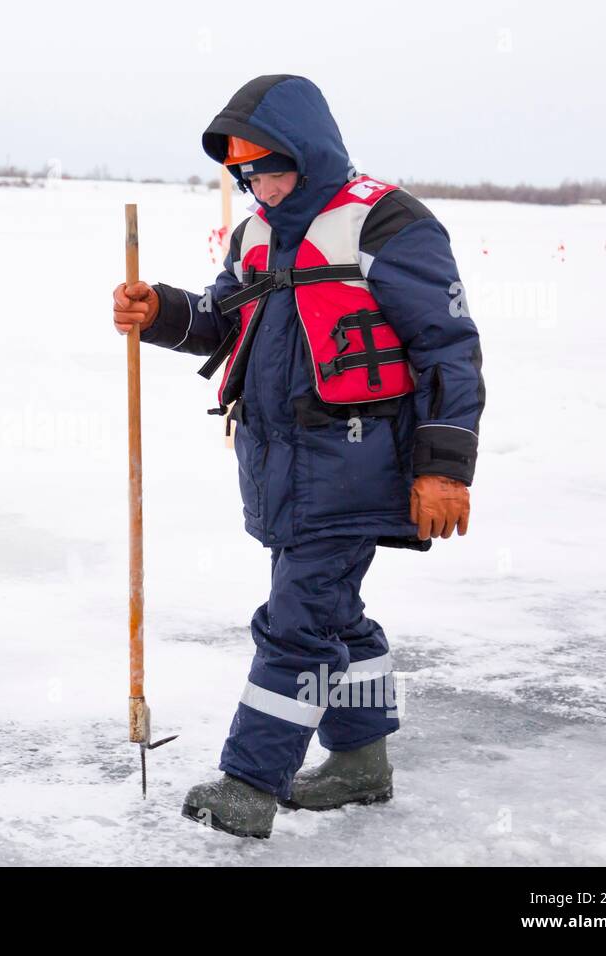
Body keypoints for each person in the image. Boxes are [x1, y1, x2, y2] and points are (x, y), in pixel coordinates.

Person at [111, 75, 485, 839]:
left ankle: (251, 781)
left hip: (356, 469)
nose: (256, 185)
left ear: (308, 154)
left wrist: (444, 467)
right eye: (242, 173)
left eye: (268, 168)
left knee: (297, 624)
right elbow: (223, 322)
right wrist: (163, 312)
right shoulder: (254, 234)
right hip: (279, 472)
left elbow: (448, 347)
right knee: (334, 615)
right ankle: (361, 761)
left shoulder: (386, 223)